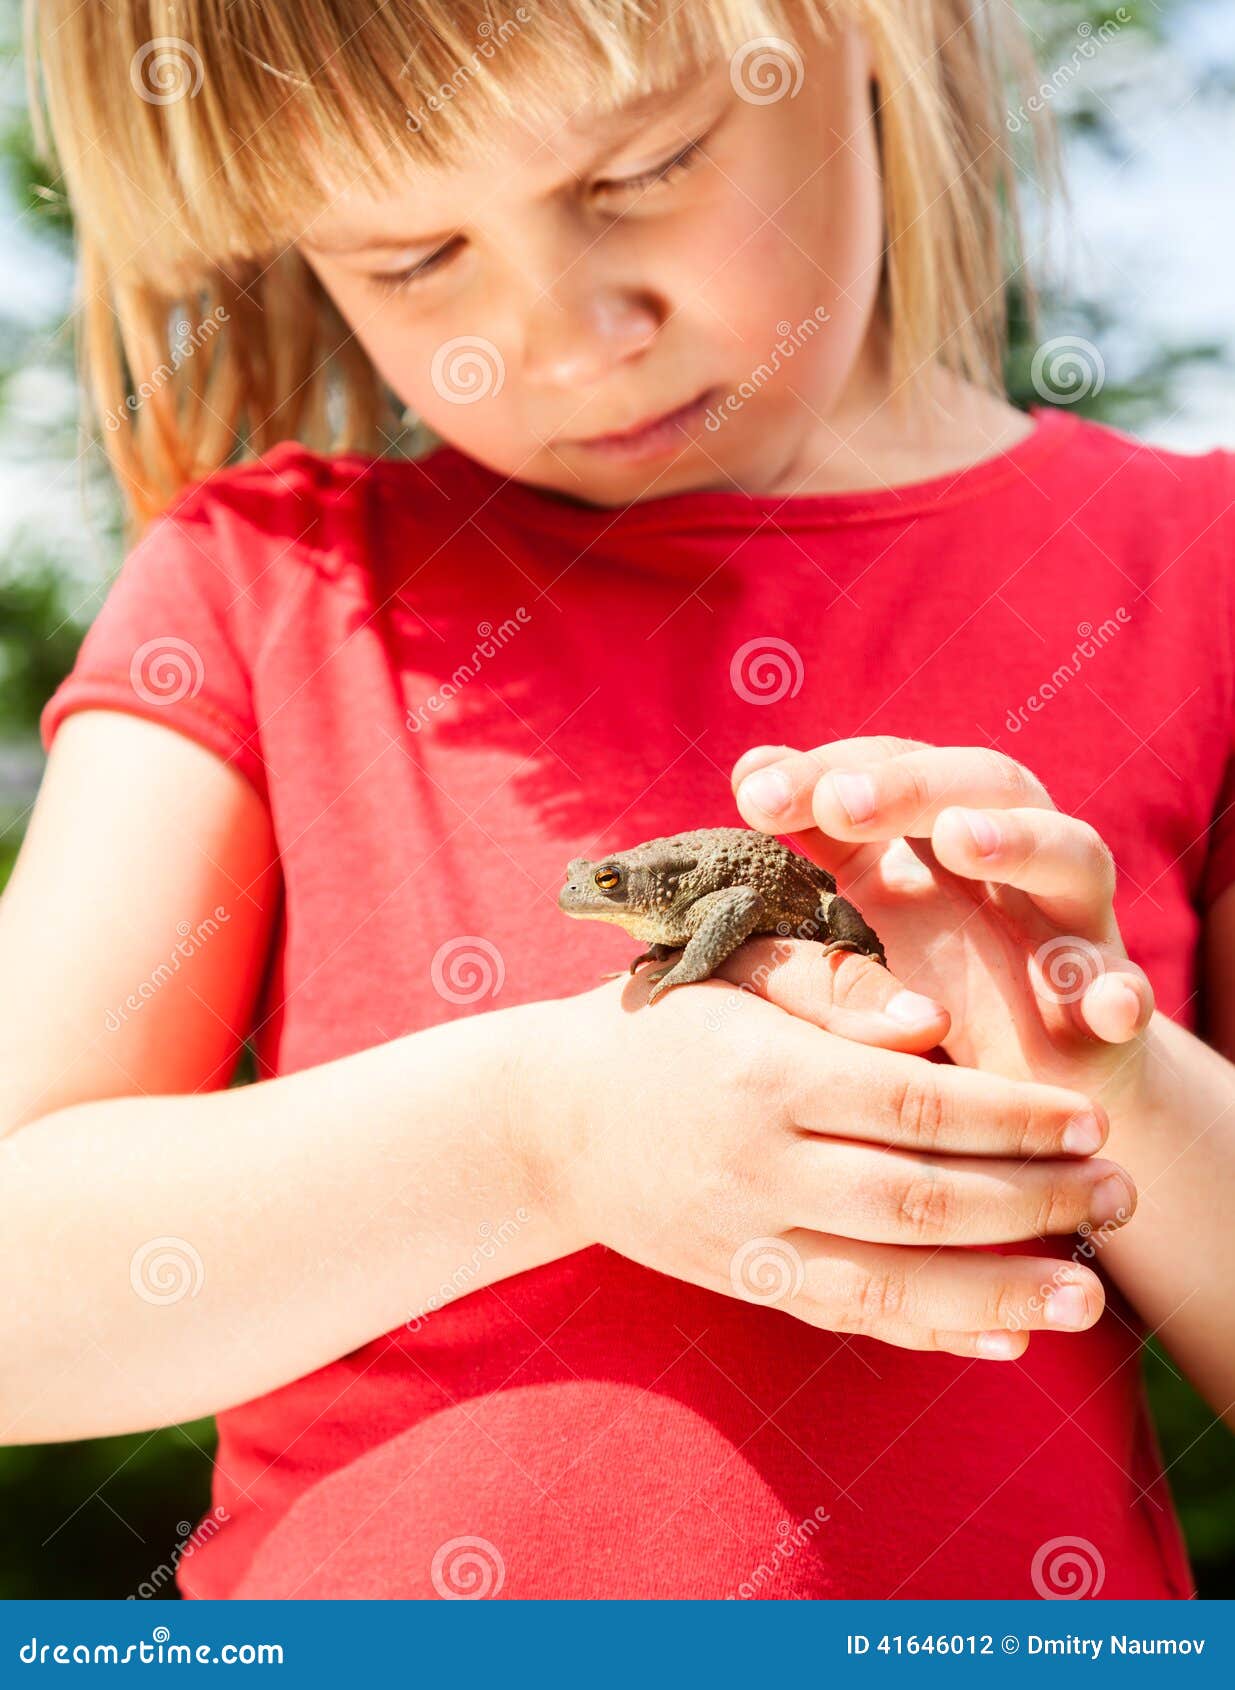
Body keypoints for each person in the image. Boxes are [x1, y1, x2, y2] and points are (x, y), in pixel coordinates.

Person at [7, 0, 1232, 1599]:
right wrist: (541, 1138)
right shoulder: (263, 587)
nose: (573, 330)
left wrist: (1108, 1072)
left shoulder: (1187, 574)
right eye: (413, 256)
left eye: (642, 167)